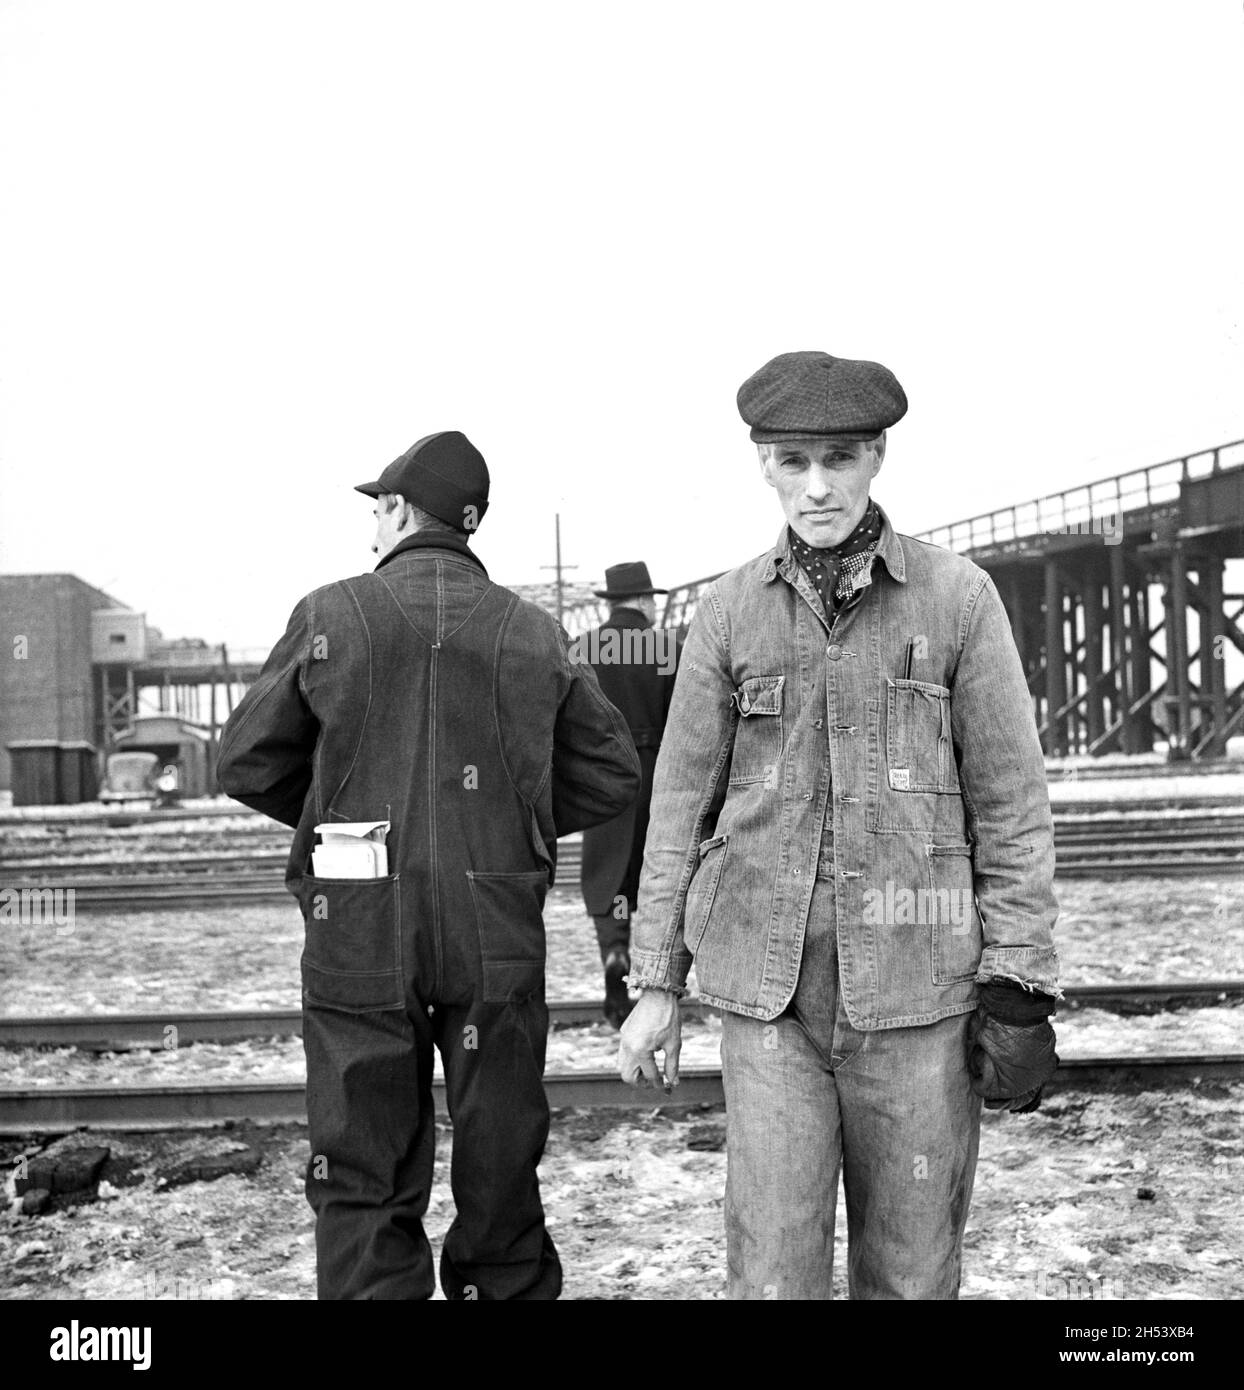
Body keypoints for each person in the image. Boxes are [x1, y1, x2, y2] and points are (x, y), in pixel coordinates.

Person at [619, 351, 1060, 1300]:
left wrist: (1019, 982)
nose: (817, 486)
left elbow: (1013, 809)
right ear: (763, 465)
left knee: (910, 1275)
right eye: (792, 460)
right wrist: (655, 980)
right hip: (765, 1002)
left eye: (840, 457)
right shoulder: (728, 613)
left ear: (878, 456)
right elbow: (677, 807)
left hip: (917, 999)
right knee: (773, 1277)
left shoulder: (958, 601)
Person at [216, 430, 640, 1301]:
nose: (373, 527)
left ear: (401, 511)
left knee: (363, 1162)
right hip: (496, 923)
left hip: (360, 920)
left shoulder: (334, 614)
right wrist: (510, 820)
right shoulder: (532, 632)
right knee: (500, 1157)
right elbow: (613, 771)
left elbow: (244, 762)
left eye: (378, 509)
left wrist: (341, 812)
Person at [574, 562, 680, 1027]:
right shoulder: (666, 648)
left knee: (606, 873)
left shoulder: (584, 649)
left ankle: (614, 951)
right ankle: (657, 978)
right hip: (658, 771)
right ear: (641, 600)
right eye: (652, 600)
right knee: (662, 870)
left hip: (603, 774)